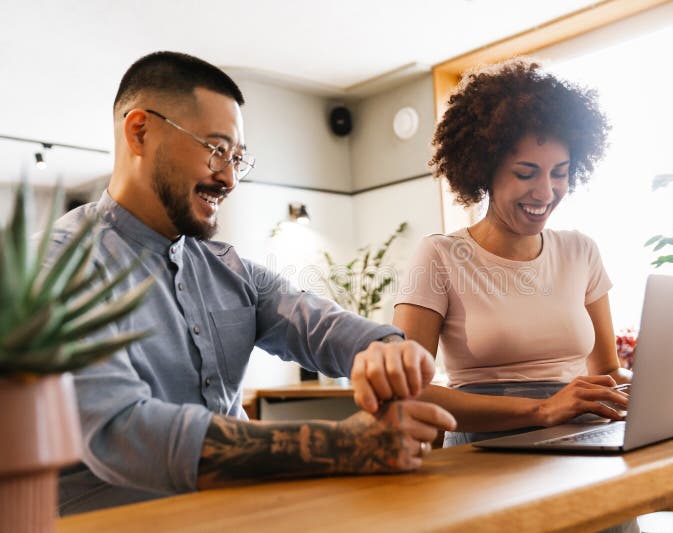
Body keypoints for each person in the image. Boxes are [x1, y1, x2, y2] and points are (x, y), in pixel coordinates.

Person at [53, 51, 455, 515]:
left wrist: (384, 349)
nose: (228, 178)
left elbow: (314, 322)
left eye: (237, 158)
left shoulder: (228, 269)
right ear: (140, 131)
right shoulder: (57, 269)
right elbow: (123, 433)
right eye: (216, 149)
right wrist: (337, 444)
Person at [393, 59, 631, 447]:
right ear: (484, 170)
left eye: (560, 173)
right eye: (526, 173)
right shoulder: (440, 256)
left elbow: (607, 372)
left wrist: (662, 390)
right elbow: (408, 391)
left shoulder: (580, 250)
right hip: (487, 451)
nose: (545, 191)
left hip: (584, 442)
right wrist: (543, 409)